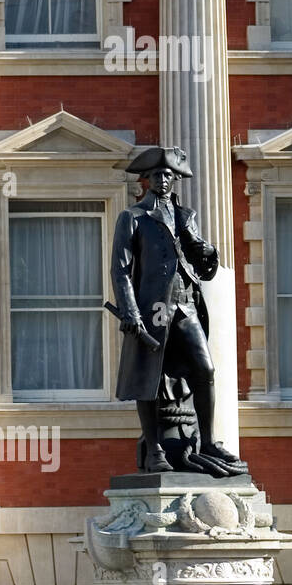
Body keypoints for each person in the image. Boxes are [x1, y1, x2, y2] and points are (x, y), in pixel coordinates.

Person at [111, 146, 247, 475]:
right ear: (146, 180)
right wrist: (130, 311)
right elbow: (121, 268)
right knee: (149, 376)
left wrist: (207, 250)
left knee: (205, 369)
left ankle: (210, 441)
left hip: (185, 305)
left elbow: (204, 266)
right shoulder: (134, 217)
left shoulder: (186, 217)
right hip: (153, 307)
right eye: (157, 175)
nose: (164, 180)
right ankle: (155, 448)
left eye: (169, 175)